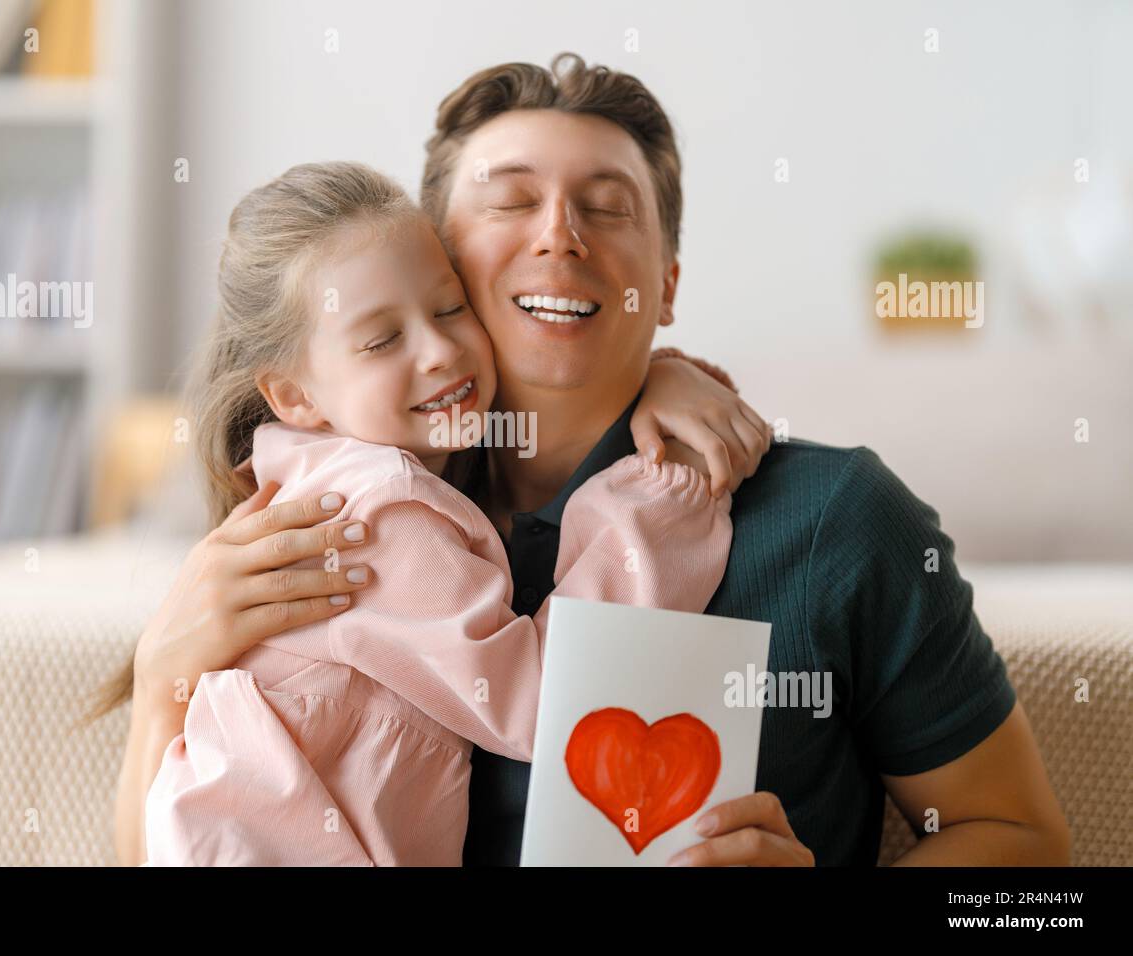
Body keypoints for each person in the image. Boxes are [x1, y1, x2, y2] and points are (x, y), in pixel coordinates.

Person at [112, 53, 1069, 867]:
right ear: (435, 260)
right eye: (511, 202)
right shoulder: (327, 530)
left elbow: (1029, 855)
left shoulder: (841, 519)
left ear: (665, 287)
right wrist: (162, 681)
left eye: (608, 208)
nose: (559, 234)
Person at [141, 161, 739, 865]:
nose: (440, 350)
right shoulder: (378, 514)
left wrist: (660, 373)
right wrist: (656, 501)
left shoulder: (315, 476)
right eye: (382, 340)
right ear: (296, 397)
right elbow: (546, 705)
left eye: (450, 307)